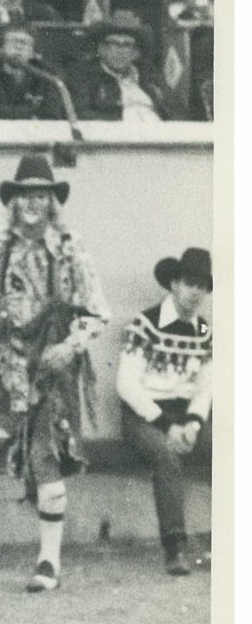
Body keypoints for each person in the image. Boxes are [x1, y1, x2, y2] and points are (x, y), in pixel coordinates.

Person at [0, 155, 109, 592]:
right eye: (24, 194)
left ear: (52, 200)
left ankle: (48, 564)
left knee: (47, 459)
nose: (32, 202)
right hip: (2, 361)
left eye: (41, 194)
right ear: (12, 200)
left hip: (50, 367)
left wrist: (69, 346)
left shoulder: (71, 246)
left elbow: (96, 312)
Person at [116, 247, 212, 576]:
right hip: (143, 415)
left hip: (184, 417)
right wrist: (167, 424)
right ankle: (175, 547)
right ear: (173, 284)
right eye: (188, 282)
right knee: (166, 457)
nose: (195, 291)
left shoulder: (203, 331)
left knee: (230, 449)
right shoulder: (146, 324)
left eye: (201, 284)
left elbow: (205, 386)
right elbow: (127, 385)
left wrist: (193, 424)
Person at [65, 20, 171, 123]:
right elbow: (81, 115)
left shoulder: (150, 77)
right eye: (113, 43)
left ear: (136, 53)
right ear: (101, 49)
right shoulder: (86, 77)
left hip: (159, 134)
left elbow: (172, 111)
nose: (120, 51)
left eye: (127, 45)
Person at [0, 24, 65, 121]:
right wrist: (33, 112)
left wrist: (8, 112)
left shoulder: (47, 74)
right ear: (2, 47)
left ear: (33, 51)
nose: (18, 47)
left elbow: (52, 114)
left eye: (24, 43)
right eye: (13, 41)